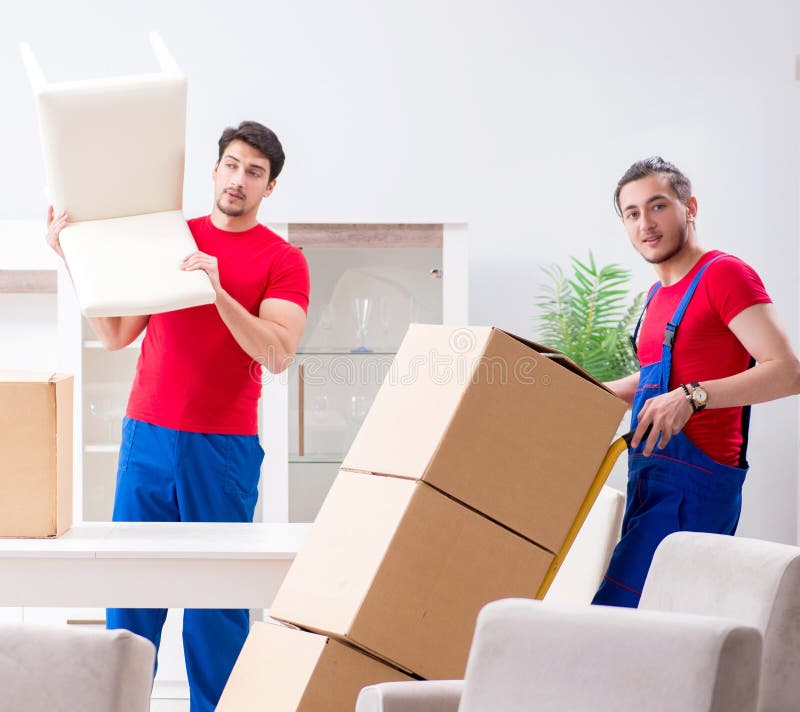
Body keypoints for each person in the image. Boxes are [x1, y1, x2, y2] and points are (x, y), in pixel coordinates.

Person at [46, 121, 310, 711]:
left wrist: (218, 291)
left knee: (215, 614)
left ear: (270, 188)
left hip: (223, 451)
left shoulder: (283, 260)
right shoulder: (172, 239)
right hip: (148, 440)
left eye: (254, 173)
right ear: (214, 170)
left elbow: (276, 352)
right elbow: (116, 334)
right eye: (232, 165)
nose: (239, 180)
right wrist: (71, 256)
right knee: (129, 604)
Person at [592, 156, 800, 609]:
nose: (645, 223)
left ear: (690, 208)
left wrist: (694, 397)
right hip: (650, 485)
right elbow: (656, 380)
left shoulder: (724, 274)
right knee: (629, 634)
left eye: (658, 206)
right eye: (632, 213)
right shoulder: (655, 297)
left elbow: (787, 371)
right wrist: (589, 393)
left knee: (620, 629)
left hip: (695, 493)